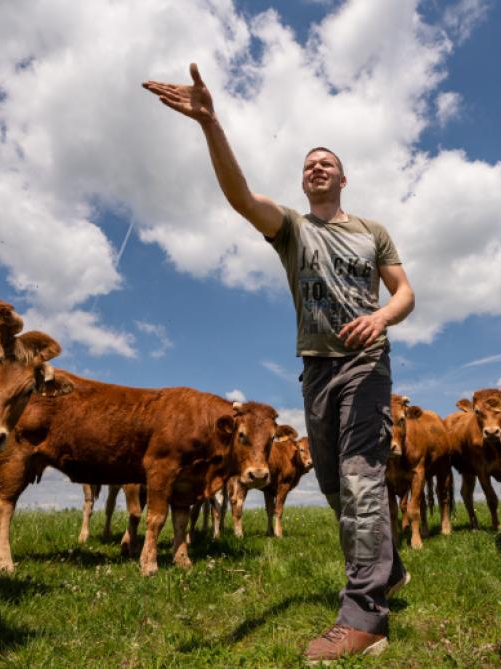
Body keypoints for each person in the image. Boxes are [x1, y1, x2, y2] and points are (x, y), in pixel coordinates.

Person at [143, 64, 416, 663]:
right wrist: (210, 124)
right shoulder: (291, 229)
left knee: (361, 476)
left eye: (327, 162)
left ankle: (365, 614)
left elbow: (405, 293)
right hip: (315, 369)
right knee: (330, 483)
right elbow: (240, 197)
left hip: (366, 362)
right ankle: (388, 569)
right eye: (308, 163)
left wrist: (382, 318)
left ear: (343, 177)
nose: (316, 166)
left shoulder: (373, 231)